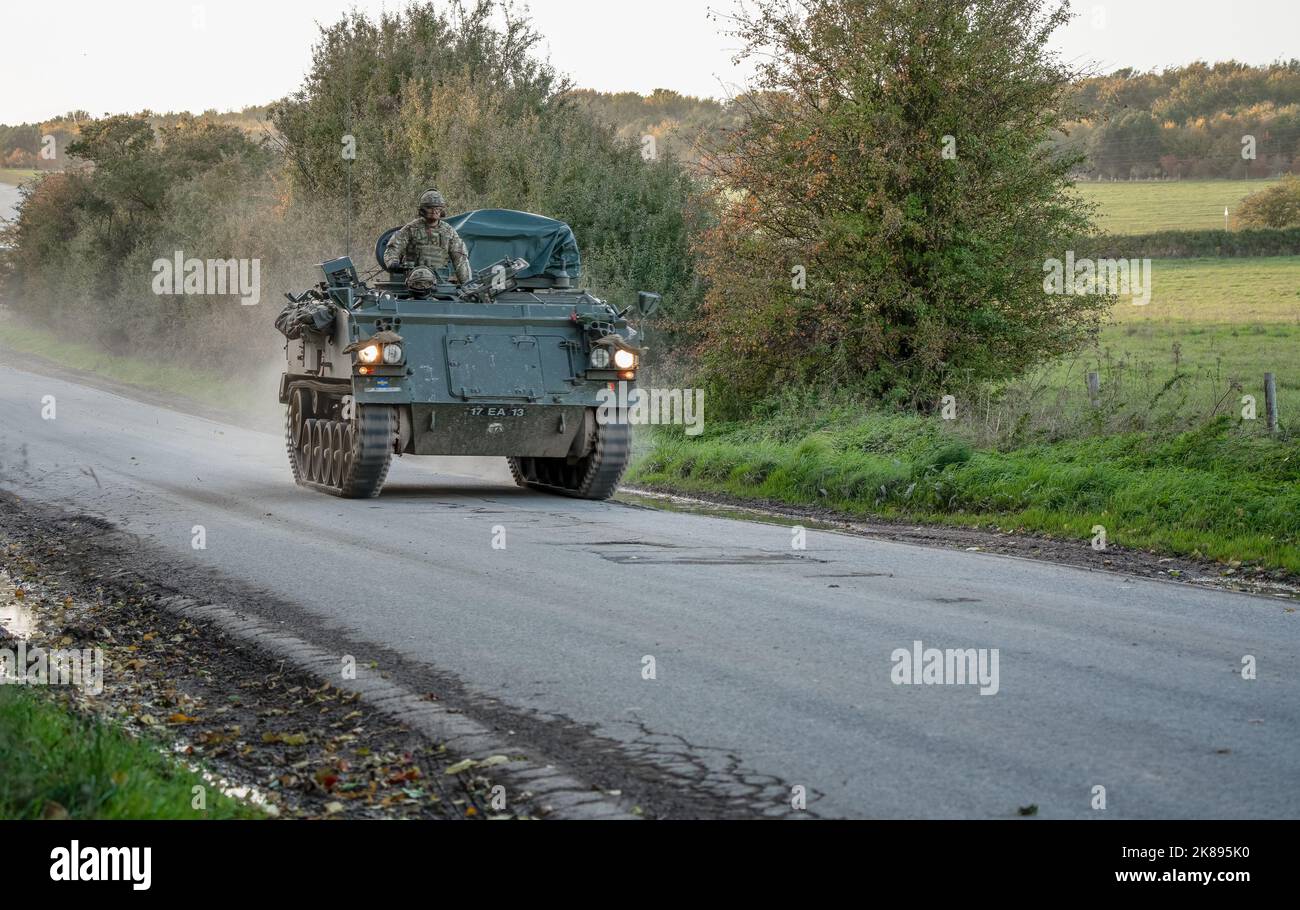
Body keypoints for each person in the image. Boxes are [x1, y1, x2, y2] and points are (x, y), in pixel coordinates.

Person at [383, 189, 472, 284]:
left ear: (442, 210)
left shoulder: (449, 232)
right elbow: (393, 248)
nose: (434, 211)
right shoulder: (410, 228)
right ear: (422, 210)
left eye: (438, 208)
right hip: (412, 280)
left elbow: (460, 259)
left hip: (440, 281)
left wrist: (467, 283)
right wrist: (392, 262)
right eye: (429, 207)